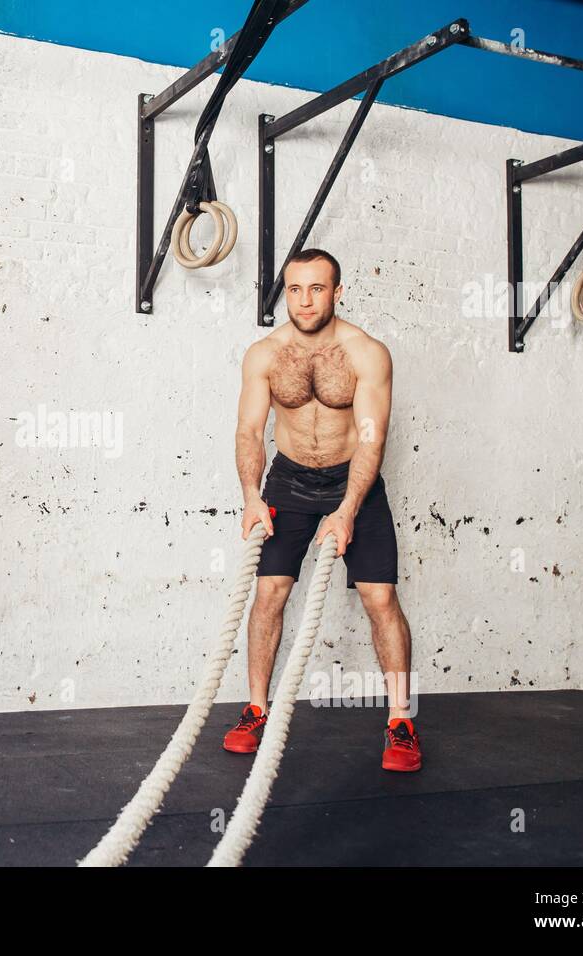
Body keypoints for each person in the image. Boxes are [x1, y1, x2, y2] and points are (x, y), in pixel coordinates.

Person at [223, 248, 421, 771]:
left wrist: (349, 508)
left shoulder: (365, 353)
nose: (305, 300)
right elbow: (248, 431)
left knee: (380, 597)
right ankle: (256, 709)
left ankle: (400, 721)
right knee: (270, 592)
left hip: (352, 478)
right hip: (288, 481)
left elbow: (372, 437)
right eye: (294, 289)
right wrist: (250, 497)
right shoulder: (264, 354)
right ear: (284, 292)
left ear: (337, 291)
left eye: (316, 289)